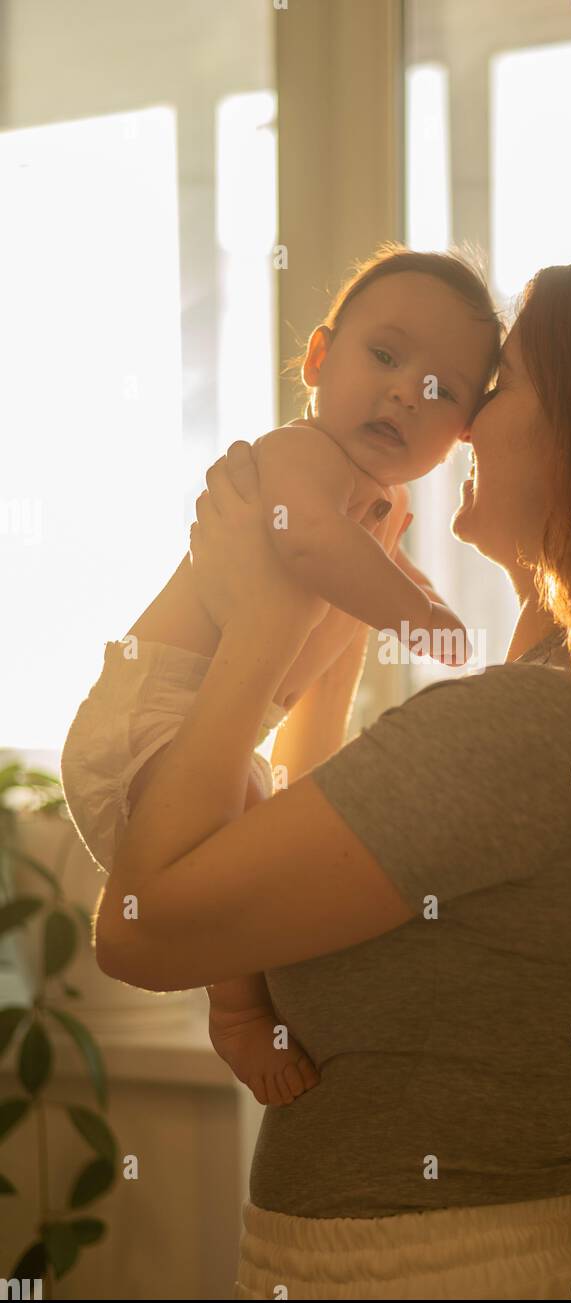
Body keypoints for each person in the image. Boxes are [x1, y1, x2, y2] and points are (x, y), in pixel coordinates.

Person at [77, 257, 571, 1299]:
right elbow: (287, 849)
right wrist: (328, 605)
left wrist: (262, 621)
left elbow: (135, 925)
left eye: (497, 387)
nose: (466, 424)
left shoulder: (529, 733)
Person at [60, 245, 501, 1107]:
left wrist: (421, 604)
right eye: (385, 355)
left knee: (260, 849)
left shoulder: (379, 510)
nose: (410, 391)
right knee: (248, 848)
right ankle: (236, 1013)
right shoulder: (299, 452)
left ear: (460, 439)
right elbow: (309, 543)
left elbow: (366, 582)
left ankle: (248, 997)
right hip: (146, 718)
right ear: (318, 359)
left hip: (215, 739)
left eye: (444, 390)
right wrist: (432, 628)